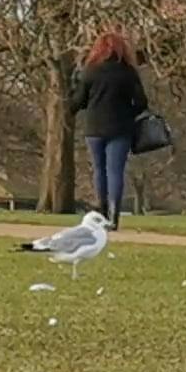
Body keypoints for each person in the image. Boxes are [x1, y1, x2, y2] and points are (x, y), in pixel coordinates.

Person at [68, 26, 148, 231]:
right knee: (115, 172)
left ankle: (101, 213)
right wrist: (128, 113)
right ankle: (114, 217)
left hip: (94, 127)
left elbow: (76, 103)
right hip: (120, 128)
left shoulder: (90, 71)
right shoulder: (128, 73)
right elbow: (141, 103)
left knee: (99, 171)